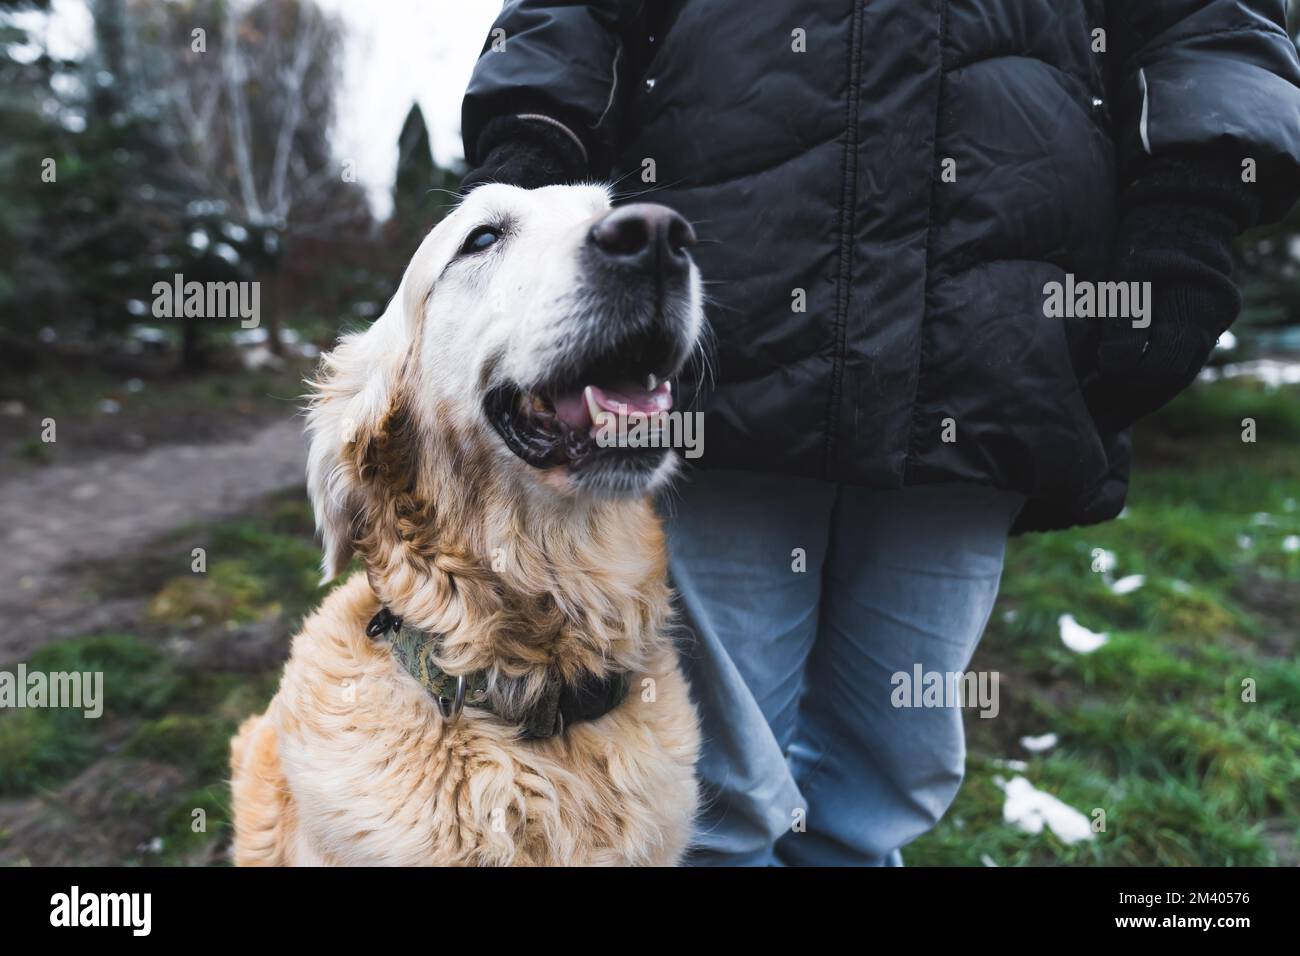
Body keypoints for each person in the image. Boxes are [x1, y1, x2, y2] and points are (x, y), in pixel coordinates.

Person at [459, 1, 1300, 865]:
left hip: (989, 350)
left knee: (886, 773)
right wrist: (529, 157)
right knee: (705, 780)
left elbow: (1207, 17)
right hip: (723, 335)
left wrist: (1190, 208)